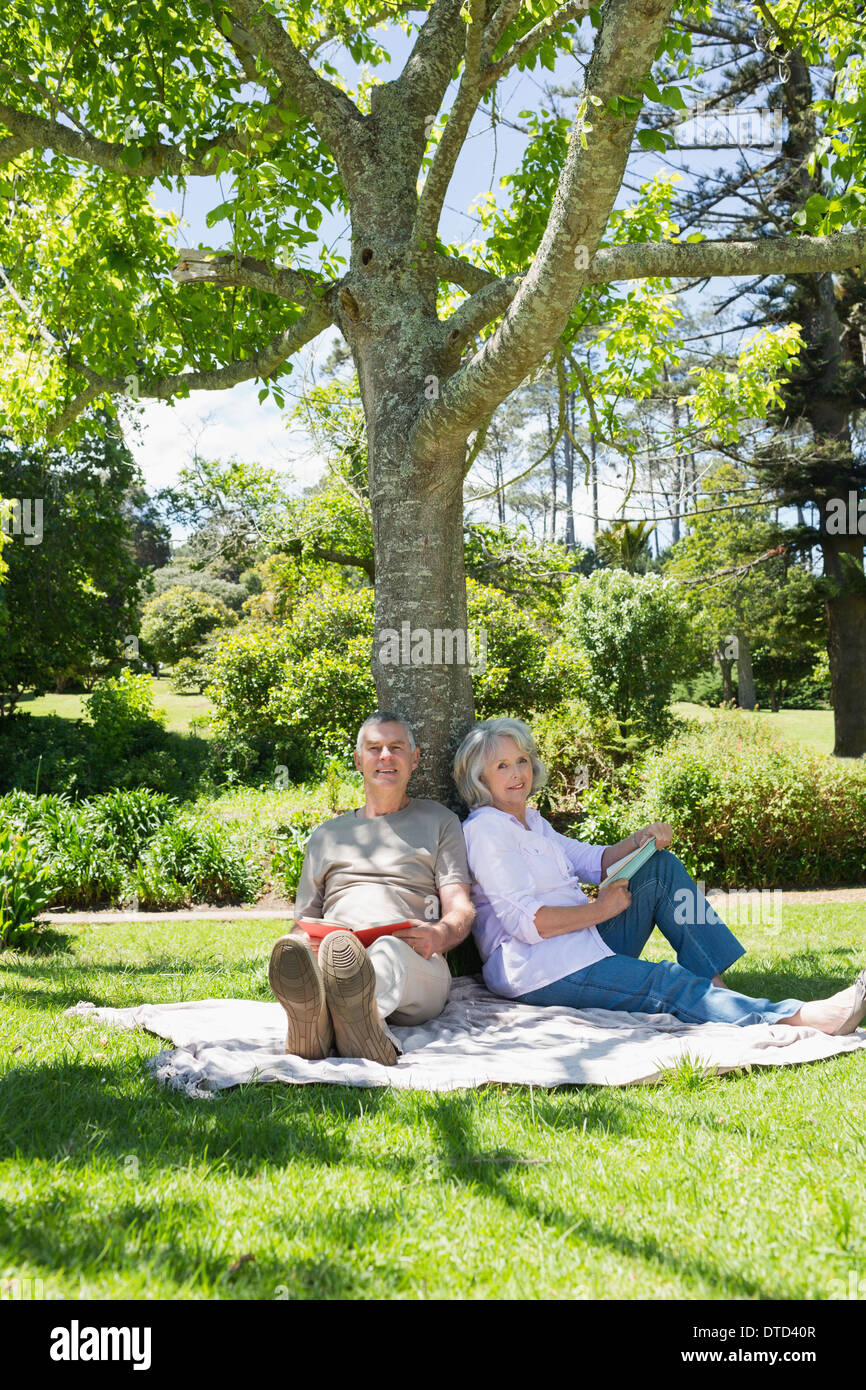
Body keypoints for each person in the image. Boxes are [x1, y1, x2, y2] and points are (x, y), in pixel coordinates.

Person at [453, 717, 866, 1036]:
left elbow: (595, 861)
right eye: (502, 765)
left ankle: (718, 991)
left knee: (658, 868)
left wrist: (640, 840)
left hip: (584, 944)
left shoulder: (531, 821)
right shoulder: (486, 830)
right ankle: (801, 1019)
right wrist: (600, 910)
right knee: (666, 982)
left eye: (521, 760)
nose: (516, 773)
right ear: (480, 778)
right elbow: (527, 923)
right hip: (541, 969)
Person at [268, 711, 475, 1066]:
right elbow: (304, 920)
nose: (385, 757)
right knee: (300, 951)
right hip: (335, 946)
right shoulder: (327, 835)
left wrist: (439, 935)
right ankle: (350, 1026)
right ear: (358, 759)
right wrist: (304, 941)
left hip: (413, 961)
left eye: (396, 747)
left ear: (415, 758)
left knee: (386, 955)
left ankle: (323, 1026)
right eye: (374, 748)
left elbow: (461, 908)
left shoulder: (441, 821)